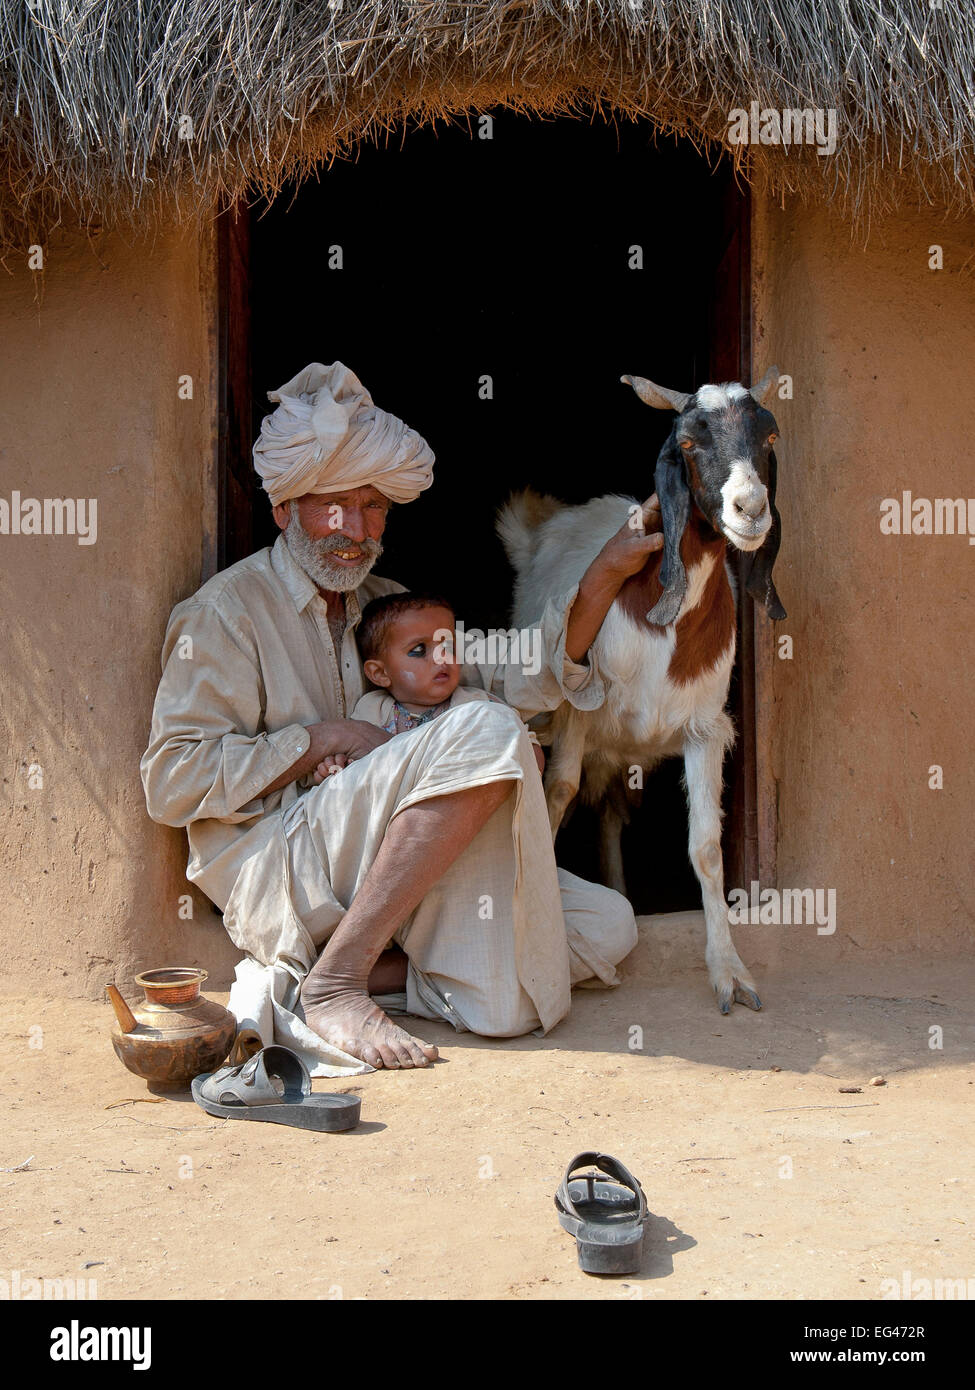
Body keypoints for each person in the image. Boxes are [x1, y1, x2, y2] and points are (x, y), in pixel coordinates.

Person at [140, 361, 664, 1075]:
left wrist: (604, 573)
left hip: (387, 860)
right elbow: (171, 780)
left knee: (605, 928)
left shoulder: (387, 604)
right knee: (488, 731)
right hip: (281, 863)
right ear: (284, 509)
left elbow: (516, 668)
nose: (354, 529)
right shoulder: (226, 614)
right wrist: (319, 740)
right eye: (333, 506)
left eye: (373, 507)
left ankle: (337, 974)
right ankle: (337, 981)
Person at [311, 591, 546, 778]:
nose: (441, 657)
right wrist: (338, 767)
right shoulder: (371, 712)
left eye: (448, 646)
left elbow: (530, 751)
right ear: (380, 673)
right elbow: (356, 770)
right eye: (419, 650)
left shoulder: (477, 706)